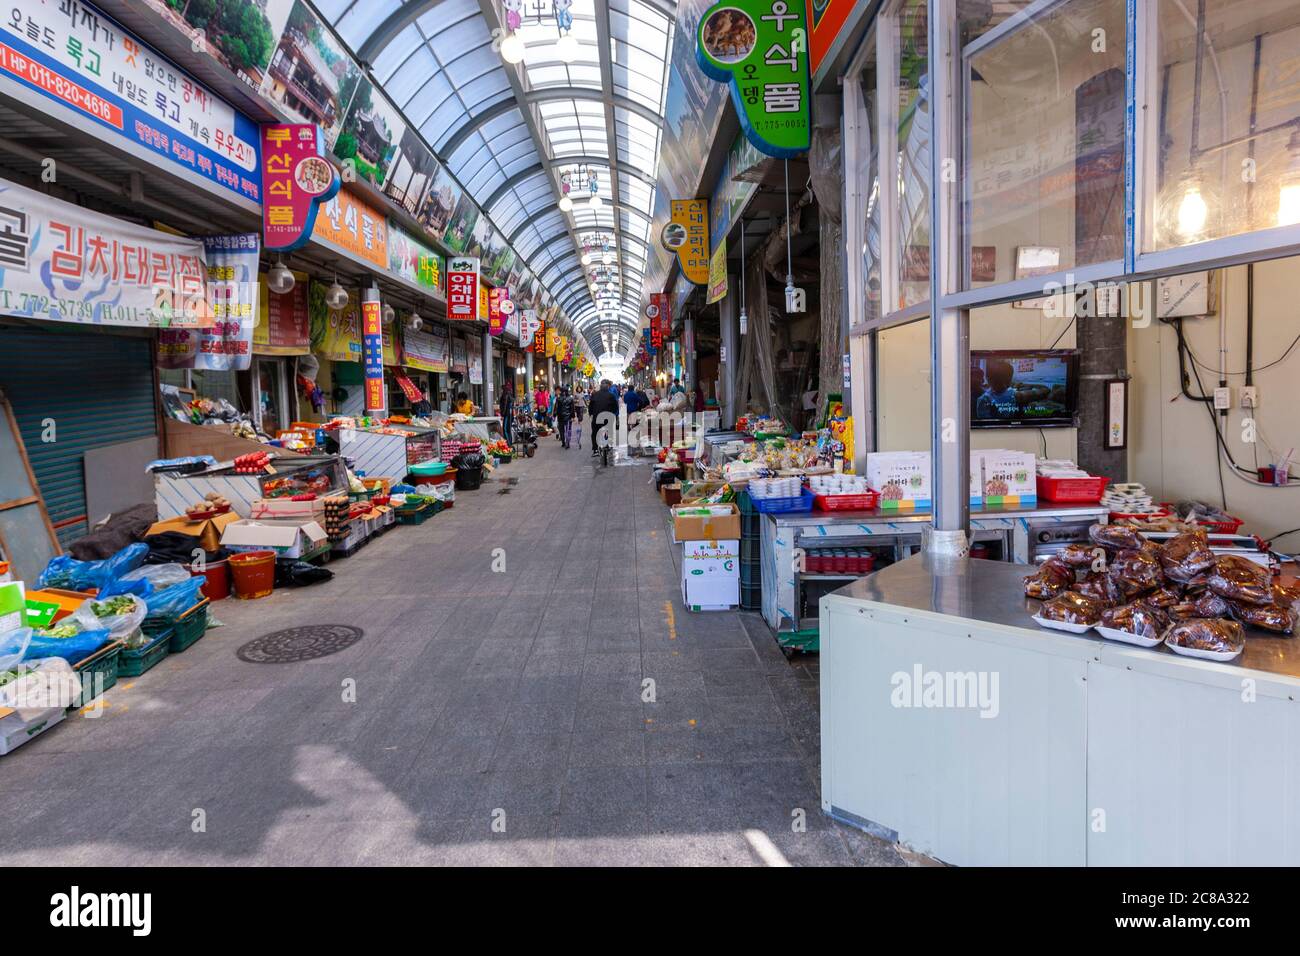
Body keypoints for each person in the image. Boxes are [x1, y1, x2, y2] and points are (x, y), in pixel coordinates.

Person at [589, 378, 619, 456]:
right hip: (607, 418)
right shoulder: (611, 395)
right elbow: (615, 407)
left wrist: (591, 414)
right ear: (608, 387)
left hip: (596, 418)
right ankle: (608, 445)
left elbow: (590, 406)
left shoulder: (594, 394)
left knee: (594, 433)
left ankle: (595, 450)